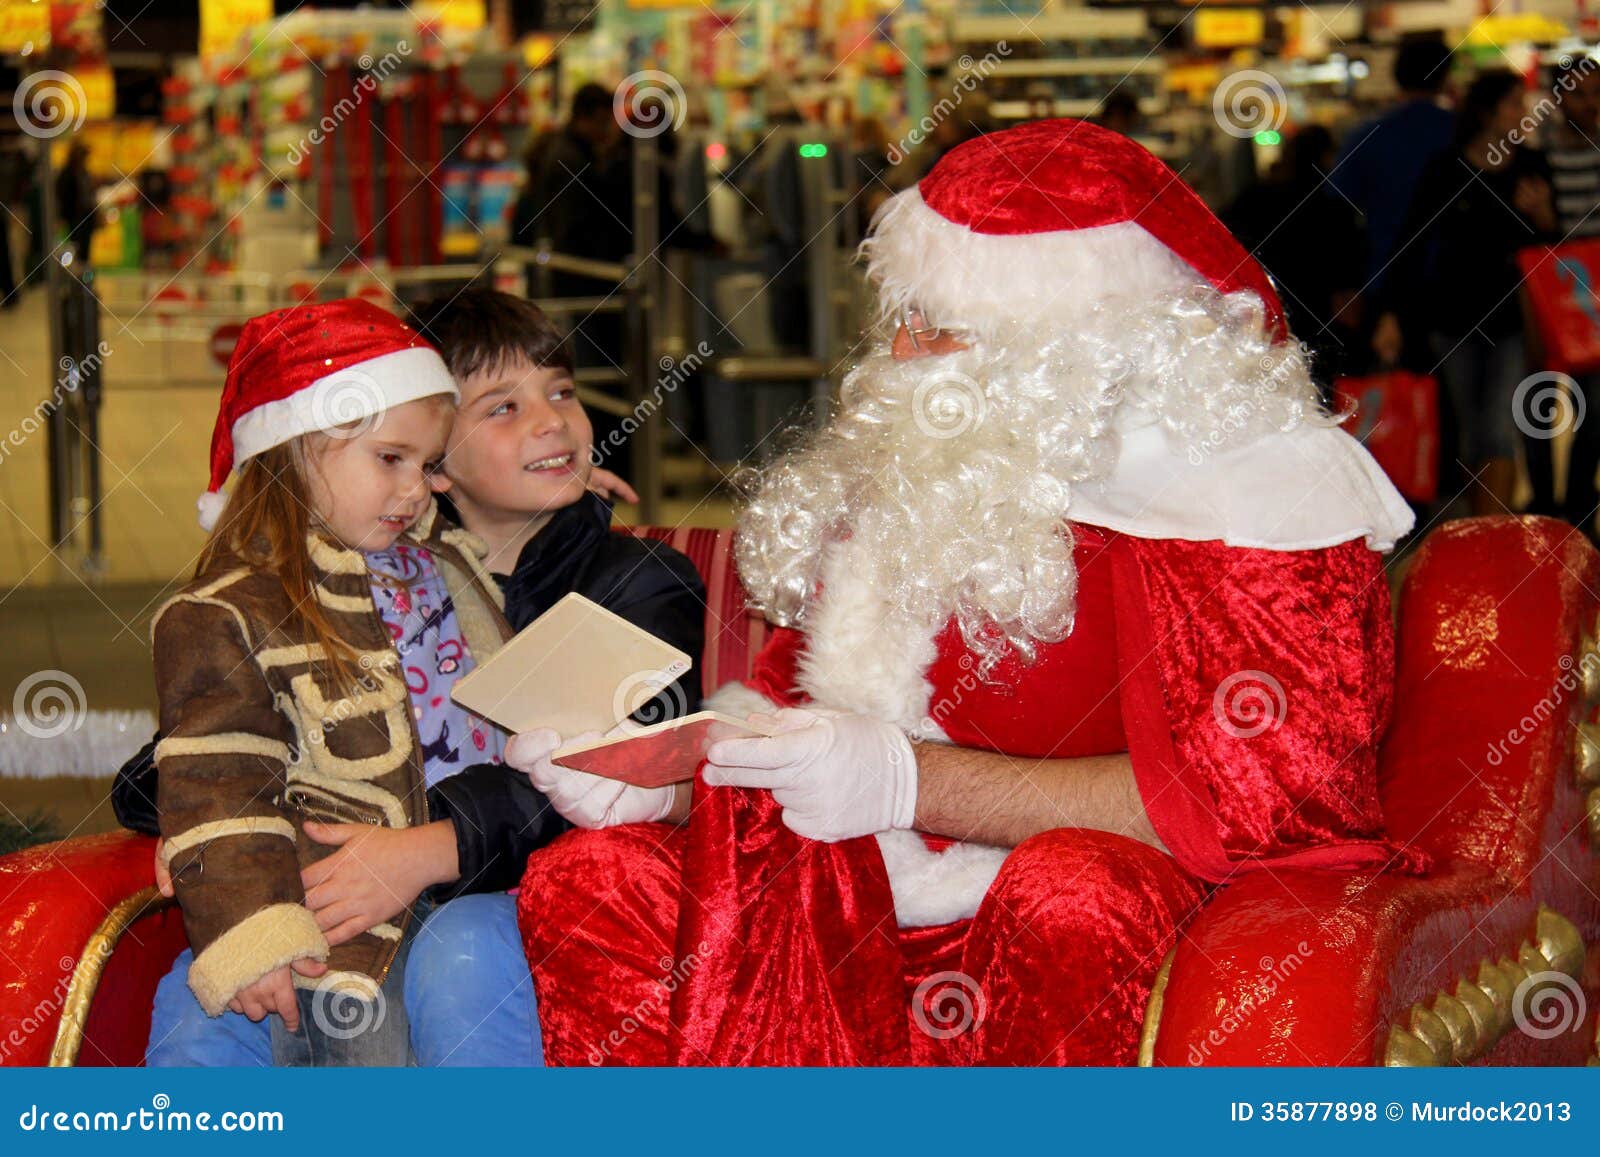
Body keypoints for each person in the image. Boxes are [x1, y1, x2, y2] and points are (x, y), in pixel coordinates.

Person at [508, 119, 1423, 1066]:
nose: (905, 354)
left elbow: (1267, 800)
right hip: (862, 887)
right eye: (903, 317)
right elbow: (795, 707)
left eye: (943, 326)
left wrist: (912, 781)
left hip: (1093, 920)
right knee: (595, 880)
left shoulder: (1256, 502)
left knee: (1072, 893)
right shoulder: (937, 468)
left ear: (1081, 340)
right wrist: (667, 788)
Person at [119, 291, 706, 1066]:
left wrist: (432, 845)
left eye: (563, 391)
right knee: (200, 1004)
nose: (552, 422)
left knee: (451, 962)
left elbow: (626, 766)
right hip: (329, 883)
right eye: (502, 407)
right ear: (443, 459)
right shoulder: (378, 569)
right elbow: (195, 752)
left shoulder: (625, 580)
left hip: (501, 886)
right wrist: (212, 836)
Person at [148, 298, 490, 1066]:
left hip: (461, 882)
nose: (417, 490)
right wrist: (252, 929)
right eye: (390, 458)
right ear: (295, 448)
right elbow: (219, 779)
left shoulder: (446, 567)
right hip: (336, 923)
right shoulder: (228, 610)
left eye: (428, 464)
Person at [1376, 70, 1556, 516]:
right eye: (1514, 104)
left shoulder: (1531, 166)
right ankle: (1480, 525)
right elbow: (1412, 241)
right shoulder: (1447, 169)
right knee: (1468, 431)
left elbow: (1554, 246)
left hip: (1512, 317)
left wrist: (1543, 215)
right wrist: (1392, 312)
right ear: (1487, 112)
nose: (1523, 113)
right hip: (1453, 316)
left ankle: (1492, 528)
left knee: (1498, 427)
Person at [1224, 124, 1364, 391]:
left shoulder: (1256, 198)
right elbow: (1346, 264)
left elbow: (1228, 236)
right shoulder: (1331, 206)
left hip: (1266, 310)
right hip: (1318, 315)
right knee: (1317, 388)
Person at [1529, 58, 1600, 535]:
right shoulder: (1538, 155)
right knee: (1537, 398)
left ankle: (1577, 502)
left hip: (1593, 301)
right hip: (1546, 295)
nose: (1589, 104)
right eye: (1579, 93)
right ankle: (1544, 503)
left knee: (1594, 405)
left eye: (1596, 93)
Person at [1331, 36, 1455, 302]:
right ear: (1445, 78)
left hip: (1383, 275)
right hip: (1452, 277)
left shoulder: (1367, 136)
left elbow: (1337, 211)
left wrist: (1344, 285)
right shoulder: (1461, 133)